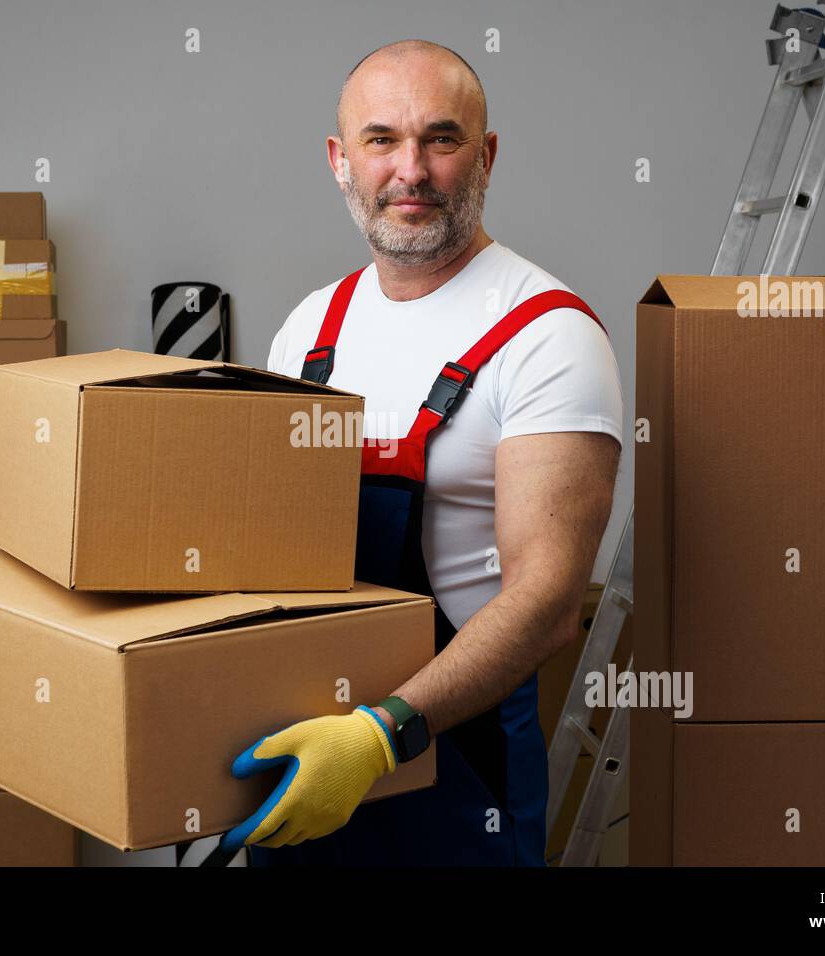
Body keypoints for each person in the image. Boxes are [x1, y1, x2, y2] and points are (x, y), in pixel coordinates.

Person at [222, 38, 623, 866]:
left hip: (453, 770)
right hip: (300, 753)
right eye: (380, 140)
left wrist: (378, 736)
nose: (411, 169)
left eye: (441, 139)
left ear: (487, 155)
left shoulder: (547, 336)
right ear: (340, 161)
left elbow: (547, 603)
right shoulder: (310, 330)